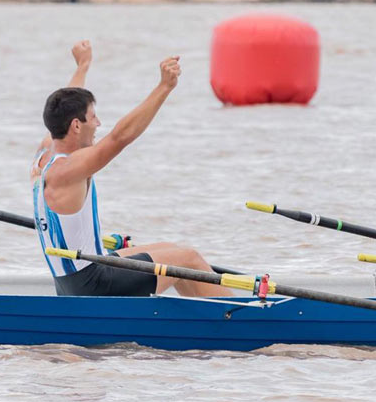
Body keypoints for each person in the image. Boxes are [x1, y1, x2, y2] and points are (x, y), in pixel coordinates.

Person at [30, 40, 233, 297]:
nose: (99, 123)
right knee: (188, 259)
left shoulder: (45, 154)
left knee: (171, 249)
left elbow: (68, 105)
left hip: (75, 278)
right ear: (77, 127)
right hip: (94, 286)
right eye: (94, 118)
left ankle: (200, 314)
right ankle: (239, 324)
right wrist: (164, 87)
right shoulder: (68, 171)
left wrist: (83, 66)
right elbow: (120, 137)